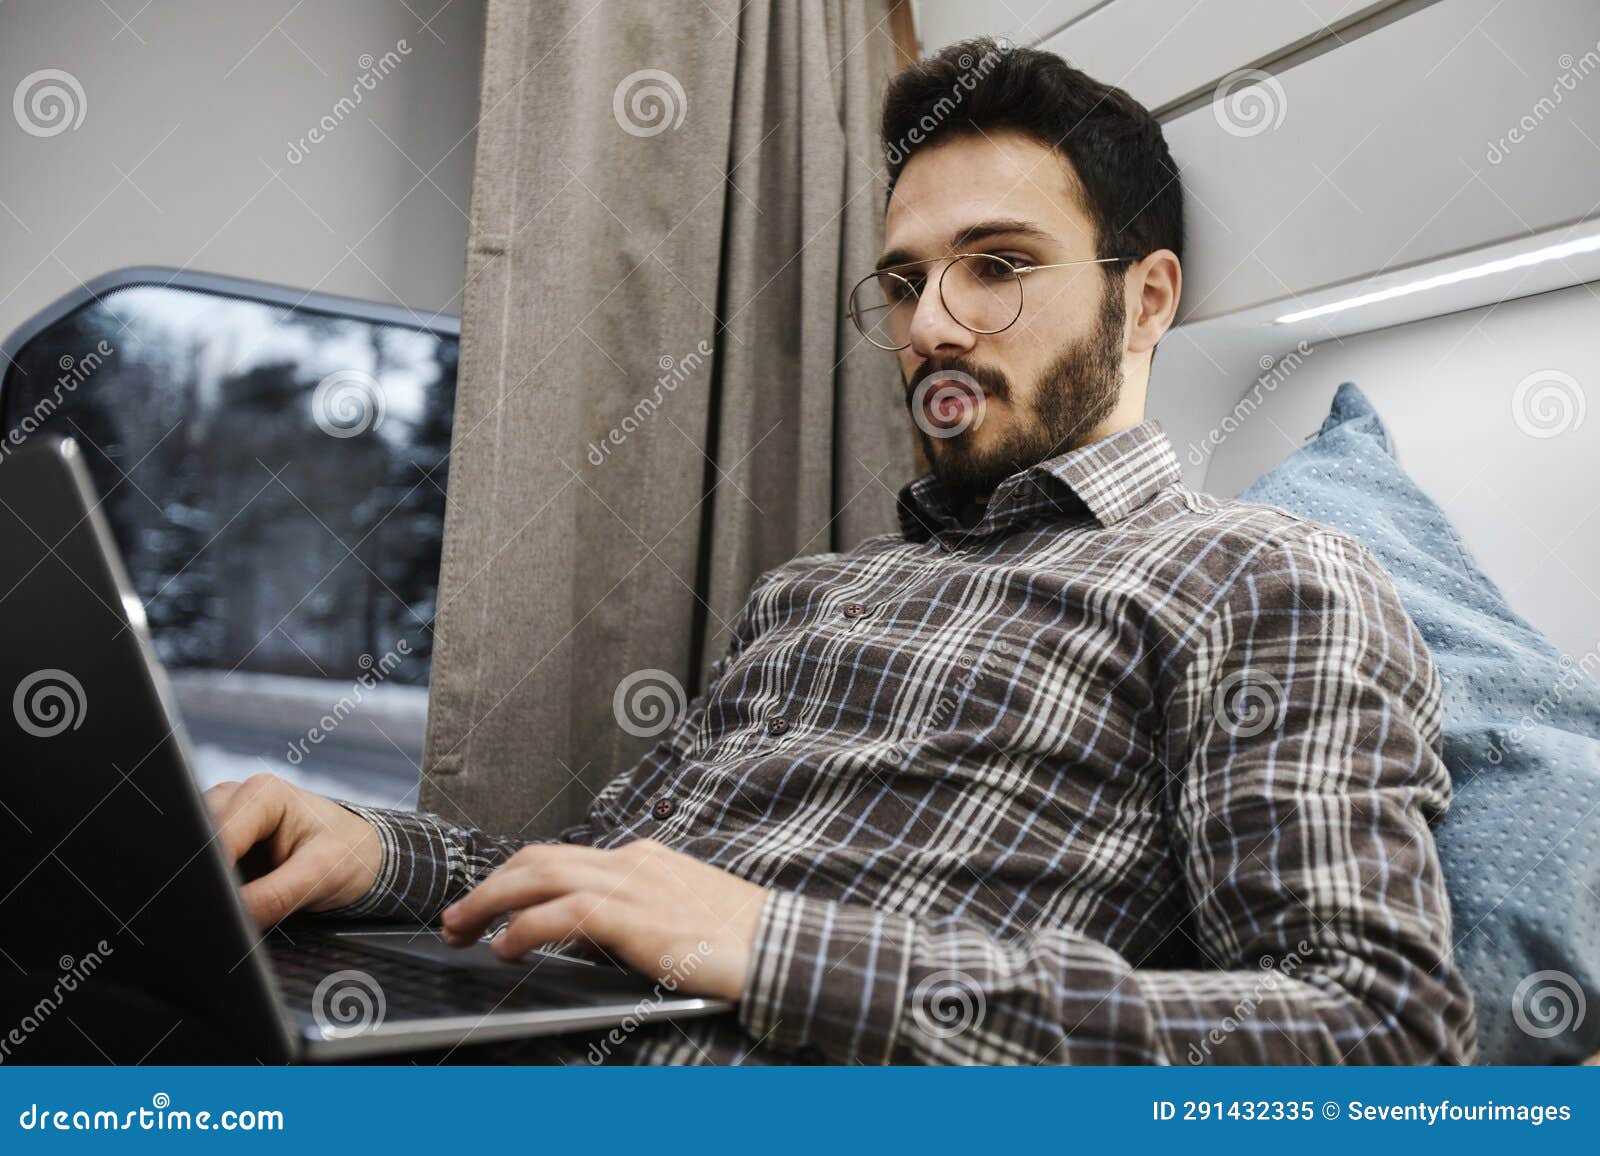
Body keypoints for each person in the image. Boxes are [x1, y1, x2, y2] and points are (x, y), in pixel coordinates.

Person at [207, 38, 1477, 1065]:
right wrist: (373, 854)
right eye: (906, 281)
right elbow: (597, 885)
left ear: (1144, 298)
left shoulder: (1261, 578)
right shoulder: (811, 595)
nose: (932, 327)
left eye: (997, 266)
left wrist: (776, 947)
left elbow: (1376, 1032)